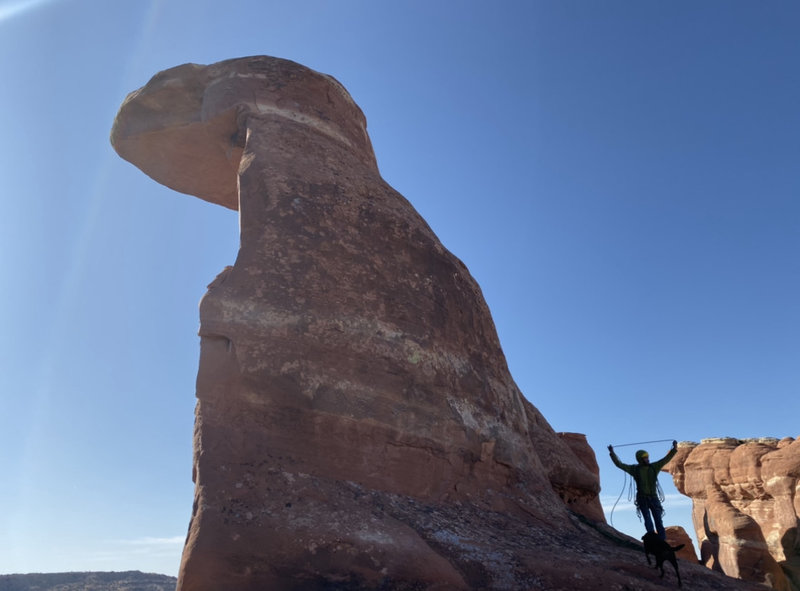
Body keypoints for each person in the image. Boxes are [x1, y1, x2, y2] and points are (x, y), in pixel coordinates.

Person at [608, 440, 678, 540]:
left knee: (658, 521)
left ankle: (662, 542)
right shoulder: (634, 469)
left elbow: (665, 460)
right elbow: (619, 464)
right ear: (640, 459)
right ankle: (653, 540)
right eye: (645, 457)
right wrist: (612, 453)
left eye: (647, 457)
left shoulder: (654, 466)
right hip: (642, 499)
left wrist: (674, 449)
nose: (647, 459)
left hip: (653, 498)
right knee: (648, 520)